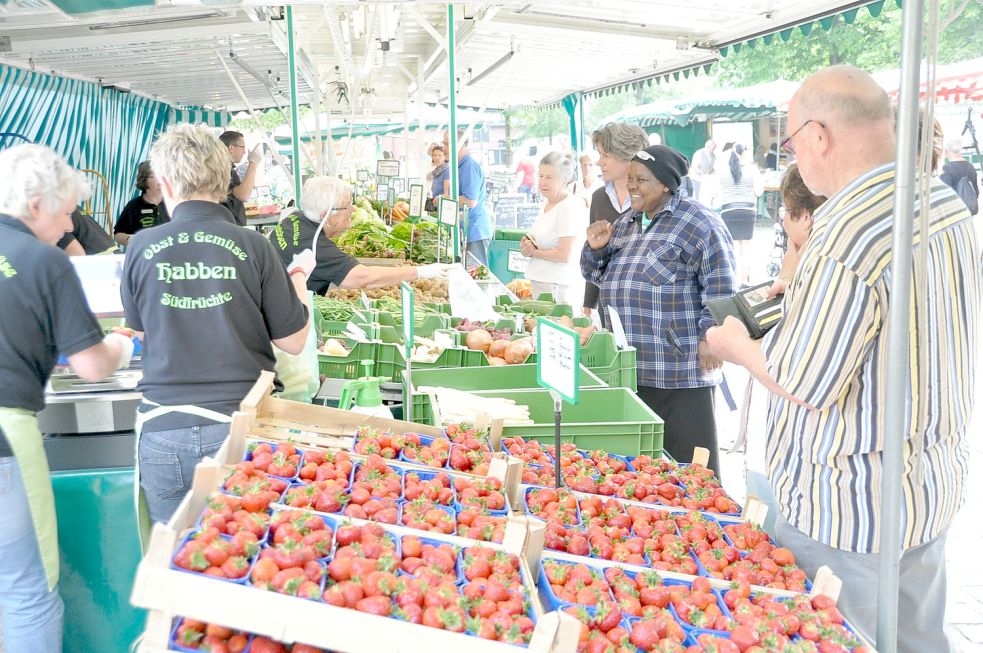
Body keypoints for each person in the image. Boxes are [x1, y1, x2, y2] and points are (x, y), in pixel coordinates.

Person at [706, 65, 979, 653]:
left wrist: (735, 347)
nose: (794, 154)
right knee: (919, 639)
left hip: (847, 506)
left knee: (840, 638)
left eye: (791, 140)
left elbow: (804, 380)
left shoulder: (847, 227)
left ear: (818, 136)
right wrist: (802, 298)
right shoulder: (943, 202)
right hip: (926, 491)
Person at [121, 124, 312, 527]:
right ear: (225, 179)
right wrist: (299, 281)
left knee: (175, 562)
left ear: (167, 183)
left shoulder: (140, 247)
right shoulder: (253, 245)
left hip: (164, 427)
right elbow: (294, 341)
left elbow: (139, 333)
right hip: (241, 427)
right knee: (248, 557)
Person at [0, 144, 134, 653]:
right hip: (5, 435)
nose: (66, 227)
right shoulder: (43, 260)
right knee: (28, 592)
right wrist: (122, 344)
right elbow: (92, 364)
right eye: (64, 212)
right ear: (36, 205)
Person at [581, 144, 736, 475]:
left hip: (678, 373)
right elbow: (595, 275)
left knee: (691, 471)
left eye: (641, 180)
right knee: (645, 471)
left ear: (666, 184)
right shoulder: (626, 223)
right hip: (630, 368)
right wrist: (595, 250)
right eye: (631, 178)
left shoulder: (700, 223)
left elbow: (721, 285)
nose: (632, 186)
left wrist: (711, 335)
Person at [270, 176, 450, 295]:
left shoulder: (295, 219)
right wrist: (421, 272)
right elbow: (362, 278)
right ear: (327, 215)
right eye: (347, 206)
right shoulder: (315, 245)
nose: (353, 210)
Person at [582, 122, 650, 322]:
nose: (598, 162)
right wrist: (588, 304)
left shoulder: (651, 200)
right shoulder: (599, 197)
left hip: (643, 310)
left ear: (628, 156)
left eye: (605, 155)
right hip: (608, 307)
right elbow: (594, 251)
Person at [519, 152, 589, 307]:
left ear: (563, 180)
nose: (542, 182)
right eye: (541, 176)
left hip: (558, 287)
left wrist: (534, 252)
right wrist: (526, 248)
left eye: (549, 177)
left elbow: (565, 254)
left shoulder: (569, 208)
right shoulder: (546, 204)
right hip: (542, 283)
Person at [766, 164, 826, 298]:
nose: (784, 221)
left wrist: (787, 277)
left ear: (805, 218)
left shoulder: (814, 266)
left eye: (785, 209)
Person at [715, 144, 763, 285]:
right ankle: (744, 279)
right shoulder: (752, 170)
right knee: (745, 248)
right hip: (748, 211)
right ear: (744, 154)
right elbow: (759, 191)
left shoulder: (723, 171)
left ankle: (733, 279)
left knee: (733, 246)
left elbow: (717, 193)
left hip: (728, 210)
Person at [443, 130, 492, 267]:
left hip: (475, 230)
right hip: (468, 229)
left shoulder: (469, 166)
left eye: (447, 144)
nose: (444, 149)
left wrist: (445, 199)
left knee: (475, 274)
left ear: (458, 145)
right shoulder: (459, 166)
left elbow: (470, 201)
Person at [113, 160, 170, 247]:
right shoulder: (133, 206)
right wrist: (130, 239)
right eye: (153, 175)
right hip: (144, 253)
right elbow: (118, 234)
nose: (159, 179)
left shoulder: (174, 203)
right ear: (144, 180)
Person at [218, 131, 263, 227]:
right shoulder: (224, 169)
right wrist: (253, 163)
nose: (244, 151)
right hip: (229, 225)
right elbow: (243, 194)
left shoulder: (224, 167)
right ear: (231, 148)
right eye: (243, 147)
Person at [940, 139, 979, 215]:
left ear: (947, 151)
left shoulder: (947, 168)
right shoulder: (970, 166)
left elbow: (944, 193)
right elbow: (976, 191)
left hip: (954, 212)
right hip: (969, 210)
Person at [688, 139, 716, 205]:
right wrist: (703, 174)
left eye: (714, 148)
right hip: (697, 179)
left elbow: (711, 168)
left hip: (706, 180)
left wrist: (712, 172)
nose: (713, 149)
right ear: (707, 146)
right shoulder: (699, 153)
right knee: (697, 197)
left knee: (706, 198)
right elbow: (694, 167)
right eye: (712, 147)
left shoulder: (713, 156)